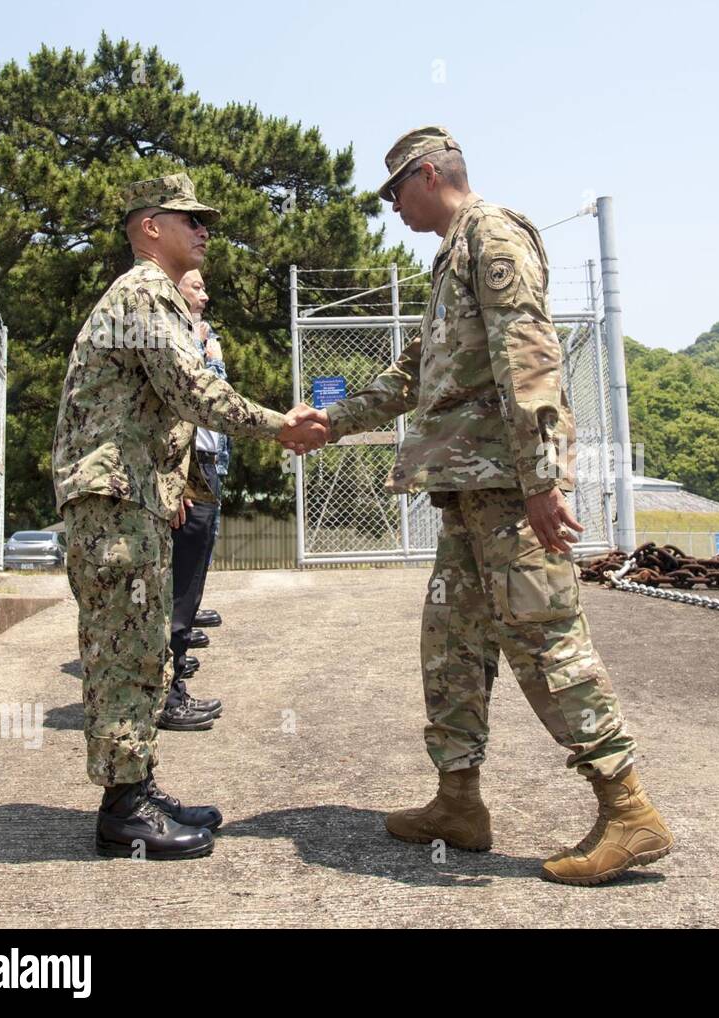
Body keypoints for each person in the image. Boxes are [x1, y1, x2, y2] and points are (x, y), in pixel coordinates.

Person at [292, 127, 674, 885]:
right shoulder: (450, 258)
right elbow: (412, 376)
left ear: (429, 175)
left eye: (396, 190)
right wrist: (330, 421)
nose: (393, 206)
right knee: (452, 642)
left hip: (507, 489)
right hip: (468, 494)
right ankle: (458, 802)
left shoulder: (492, 236)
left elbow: (528, 355)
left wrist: (542, 479)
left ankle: (628, 809)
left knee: (544, 637)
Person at [53, 172, 326, 860]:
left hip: (129, 498)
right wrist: (279, 424)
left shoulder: (154, 294)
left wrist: (175, 486)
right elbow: (191, 389)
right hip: (114, 502)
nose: (204, 230)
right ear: (151, 228)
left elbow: (163, 407)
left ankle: (136, 788)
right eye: (190, 219)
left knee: (143, 646)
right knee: (124, 653)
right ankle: (123, 813)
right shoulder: (145, 291)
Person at [158, 268, 226, 732]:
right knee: (176, 592)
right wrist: (175, 480)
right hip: (183, 469)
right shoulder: (166, 336)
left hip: (201, 466)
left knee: (190, 584)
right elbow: (184, 406)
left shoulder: (198, 336)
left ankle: (175, 681)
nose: (204, 295)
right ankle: (168, 694)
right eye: (195, 286)